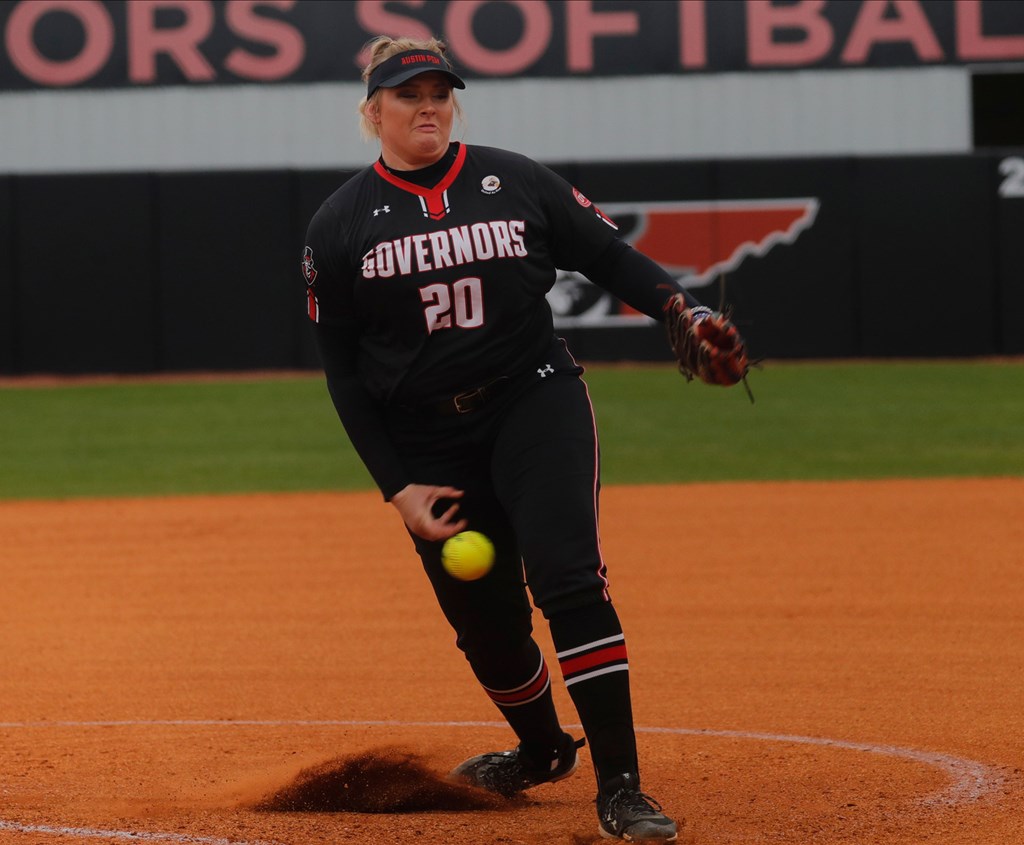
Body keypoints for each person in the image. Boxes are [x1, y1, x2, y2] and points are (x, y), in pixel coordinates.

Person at [301, 34, 746, 843]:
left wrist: (682, 308)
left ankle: (623, 788)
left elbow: (609, 255)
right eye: (407, 95)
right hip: (425, 439)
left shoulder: (515, 181)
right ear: (373, 112)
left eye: (439, 93)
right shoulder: (339, 224)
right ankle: (542, 749)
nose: (428, 107)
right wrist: (397, 485)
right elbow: (342, 372)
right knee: (486, 625)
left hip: (533, 400)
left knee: (569, 578)